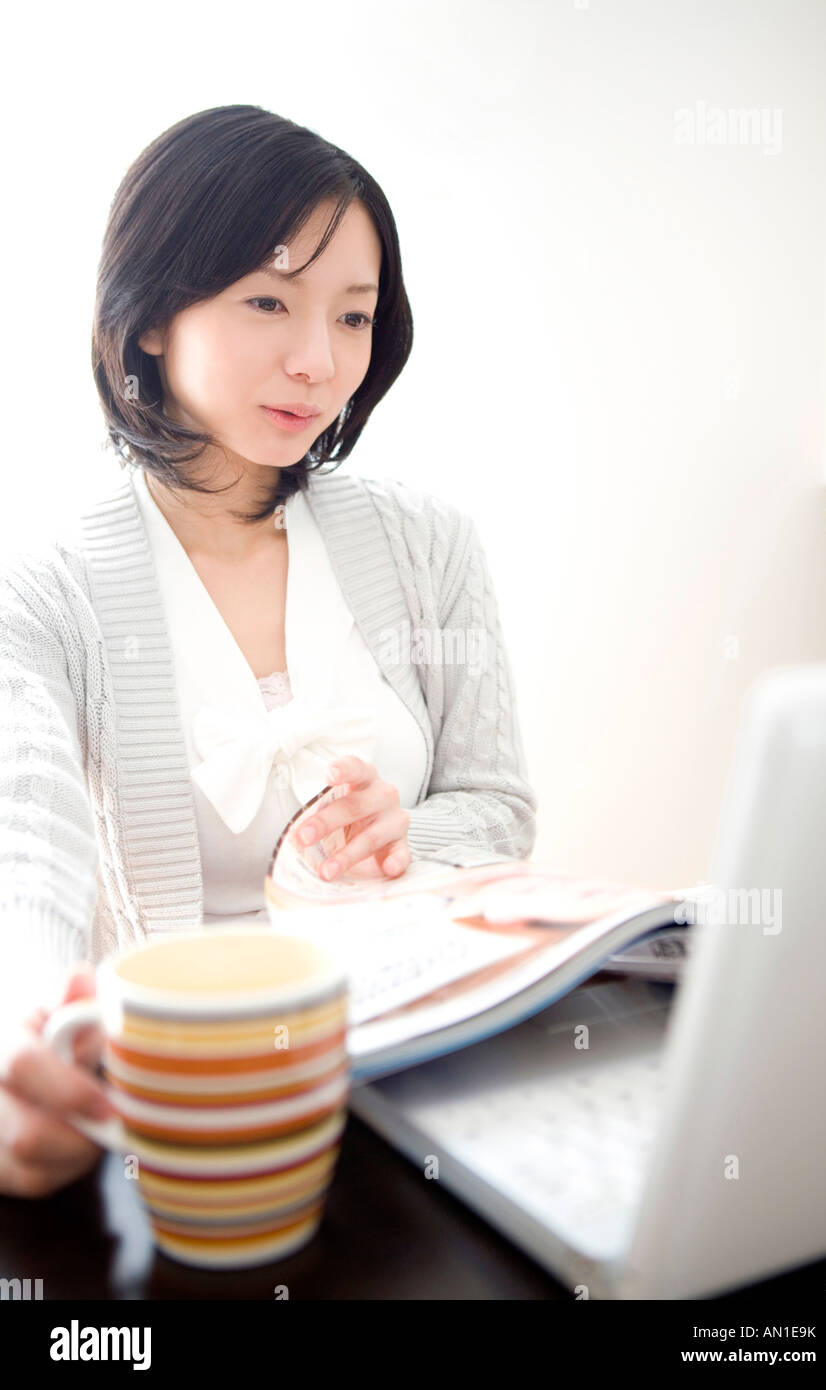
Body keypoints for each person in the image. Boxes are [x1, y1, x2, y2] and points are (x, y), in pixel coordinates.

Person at [0, 105, 537, 1197]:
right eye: (267, 300)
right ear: (150, 315)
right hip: (196, 1113)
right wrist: (31, 1045)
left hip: (425, 1076)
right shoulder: (43, 593)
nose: (317, 361)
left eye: (352, 316)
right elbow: (27, 867)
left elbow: (499, 809)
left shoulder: (428, 543)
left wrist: (404, 835)